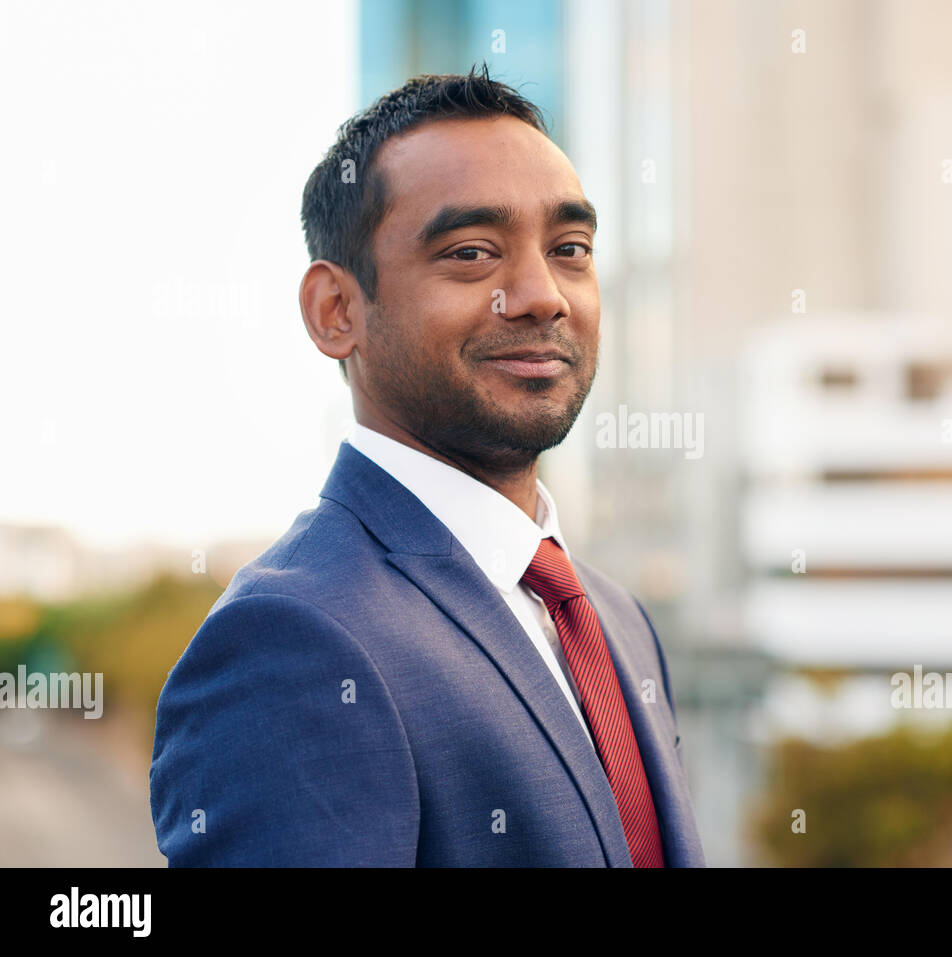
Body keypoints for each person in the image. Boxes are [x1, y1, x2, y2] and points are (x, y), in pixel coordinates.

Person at [149, 65, 706, 867]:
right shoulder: (290, 645)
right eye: (473, 253)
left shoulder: (615, 618)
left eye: (570, 248)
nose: (543, 294)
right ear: (337, 312)